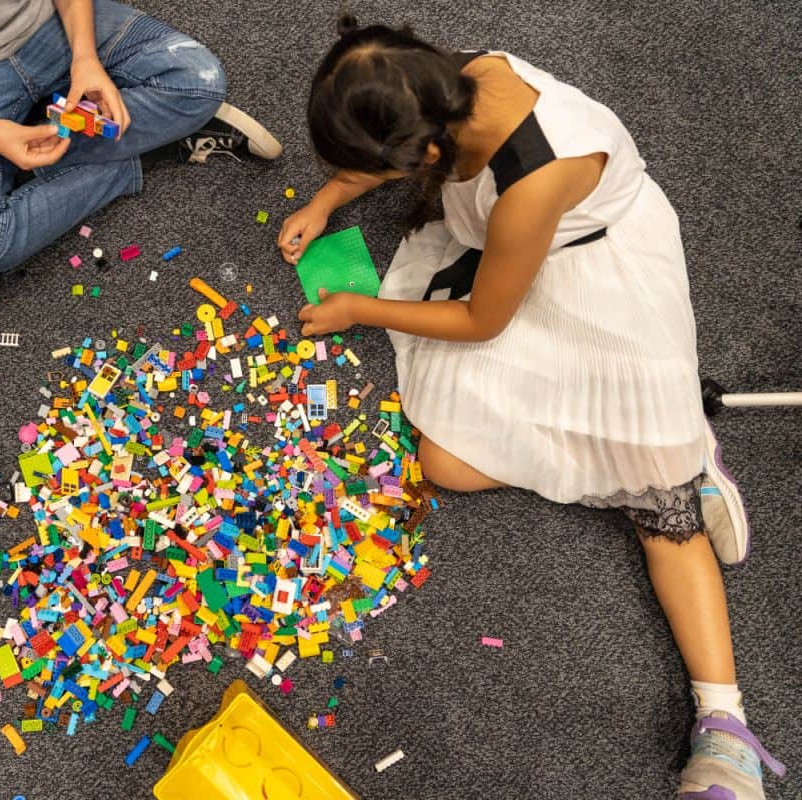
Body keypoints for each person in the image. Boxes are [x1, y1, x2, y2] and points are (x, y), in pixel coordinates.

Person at [279, 17, 785, 800]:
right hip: (523, 266)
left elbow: (484, 320)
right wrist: (325, 200)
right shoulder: (443, 82)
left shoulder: (534, 177)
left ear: (430, 152)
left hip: (601, 291)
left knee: (663, 518)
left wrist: (361, 310)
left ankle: (727, 723)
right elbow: (385, 140)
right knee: (440, 463)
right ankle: (664, 452)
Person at [0, 0, 282, 299]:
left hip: (54, 23)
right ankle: (150, 149)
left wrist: (85, 58)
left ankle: (38, 157)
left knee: (201, 84)